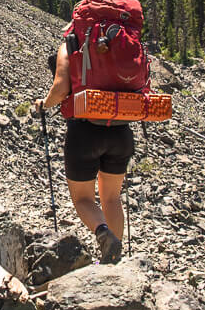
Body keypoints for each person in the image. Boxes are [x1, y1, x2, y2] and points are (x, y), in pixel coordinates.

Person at [39, 28, 134, 264]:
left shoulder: (71, 46)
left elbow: (61, 89)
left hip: (84, 131)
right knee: (112, 197)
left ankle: (104, 235)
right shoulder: (118, 47)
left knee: (83, 199)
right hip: (120, 130)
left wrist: (43, 104)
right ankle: (115, 257)